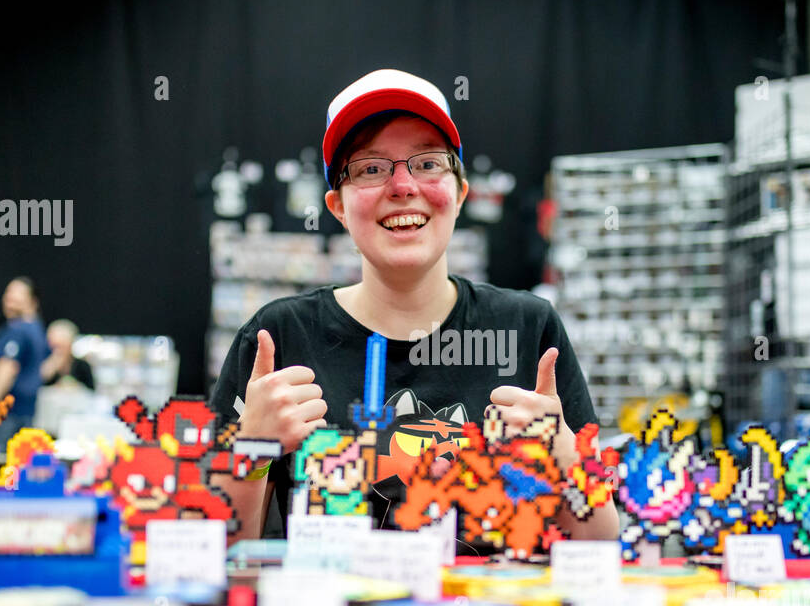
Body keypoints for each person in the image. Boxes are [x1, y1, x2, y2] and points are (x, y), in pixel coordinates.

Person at [209, 69, 619, 546]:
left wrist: (563, 454)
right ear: (337, 206)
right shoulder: (277, 338)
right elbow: (215, 551)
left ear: (461, 194)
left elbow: (601, 544)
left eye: (427, 163)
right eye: (370, 168)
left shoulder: (527, 329)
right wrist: (252, 450)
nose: (403, 186)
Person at [0, 277, 49, 446]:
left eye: (17, 294)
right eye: (8, 294)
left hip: (6, 413)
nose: (9, 298)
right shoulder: (38, 330)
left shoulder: (17, 330)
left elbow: (7, 366)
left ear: (32, 301)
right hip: (26, 411)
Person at [41, 319, 95, 389]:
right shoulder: (44, 364)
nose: (58, 351)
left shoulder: (82, 366)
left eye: (61, 346)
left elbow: (91, 391)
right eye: (54, 346)